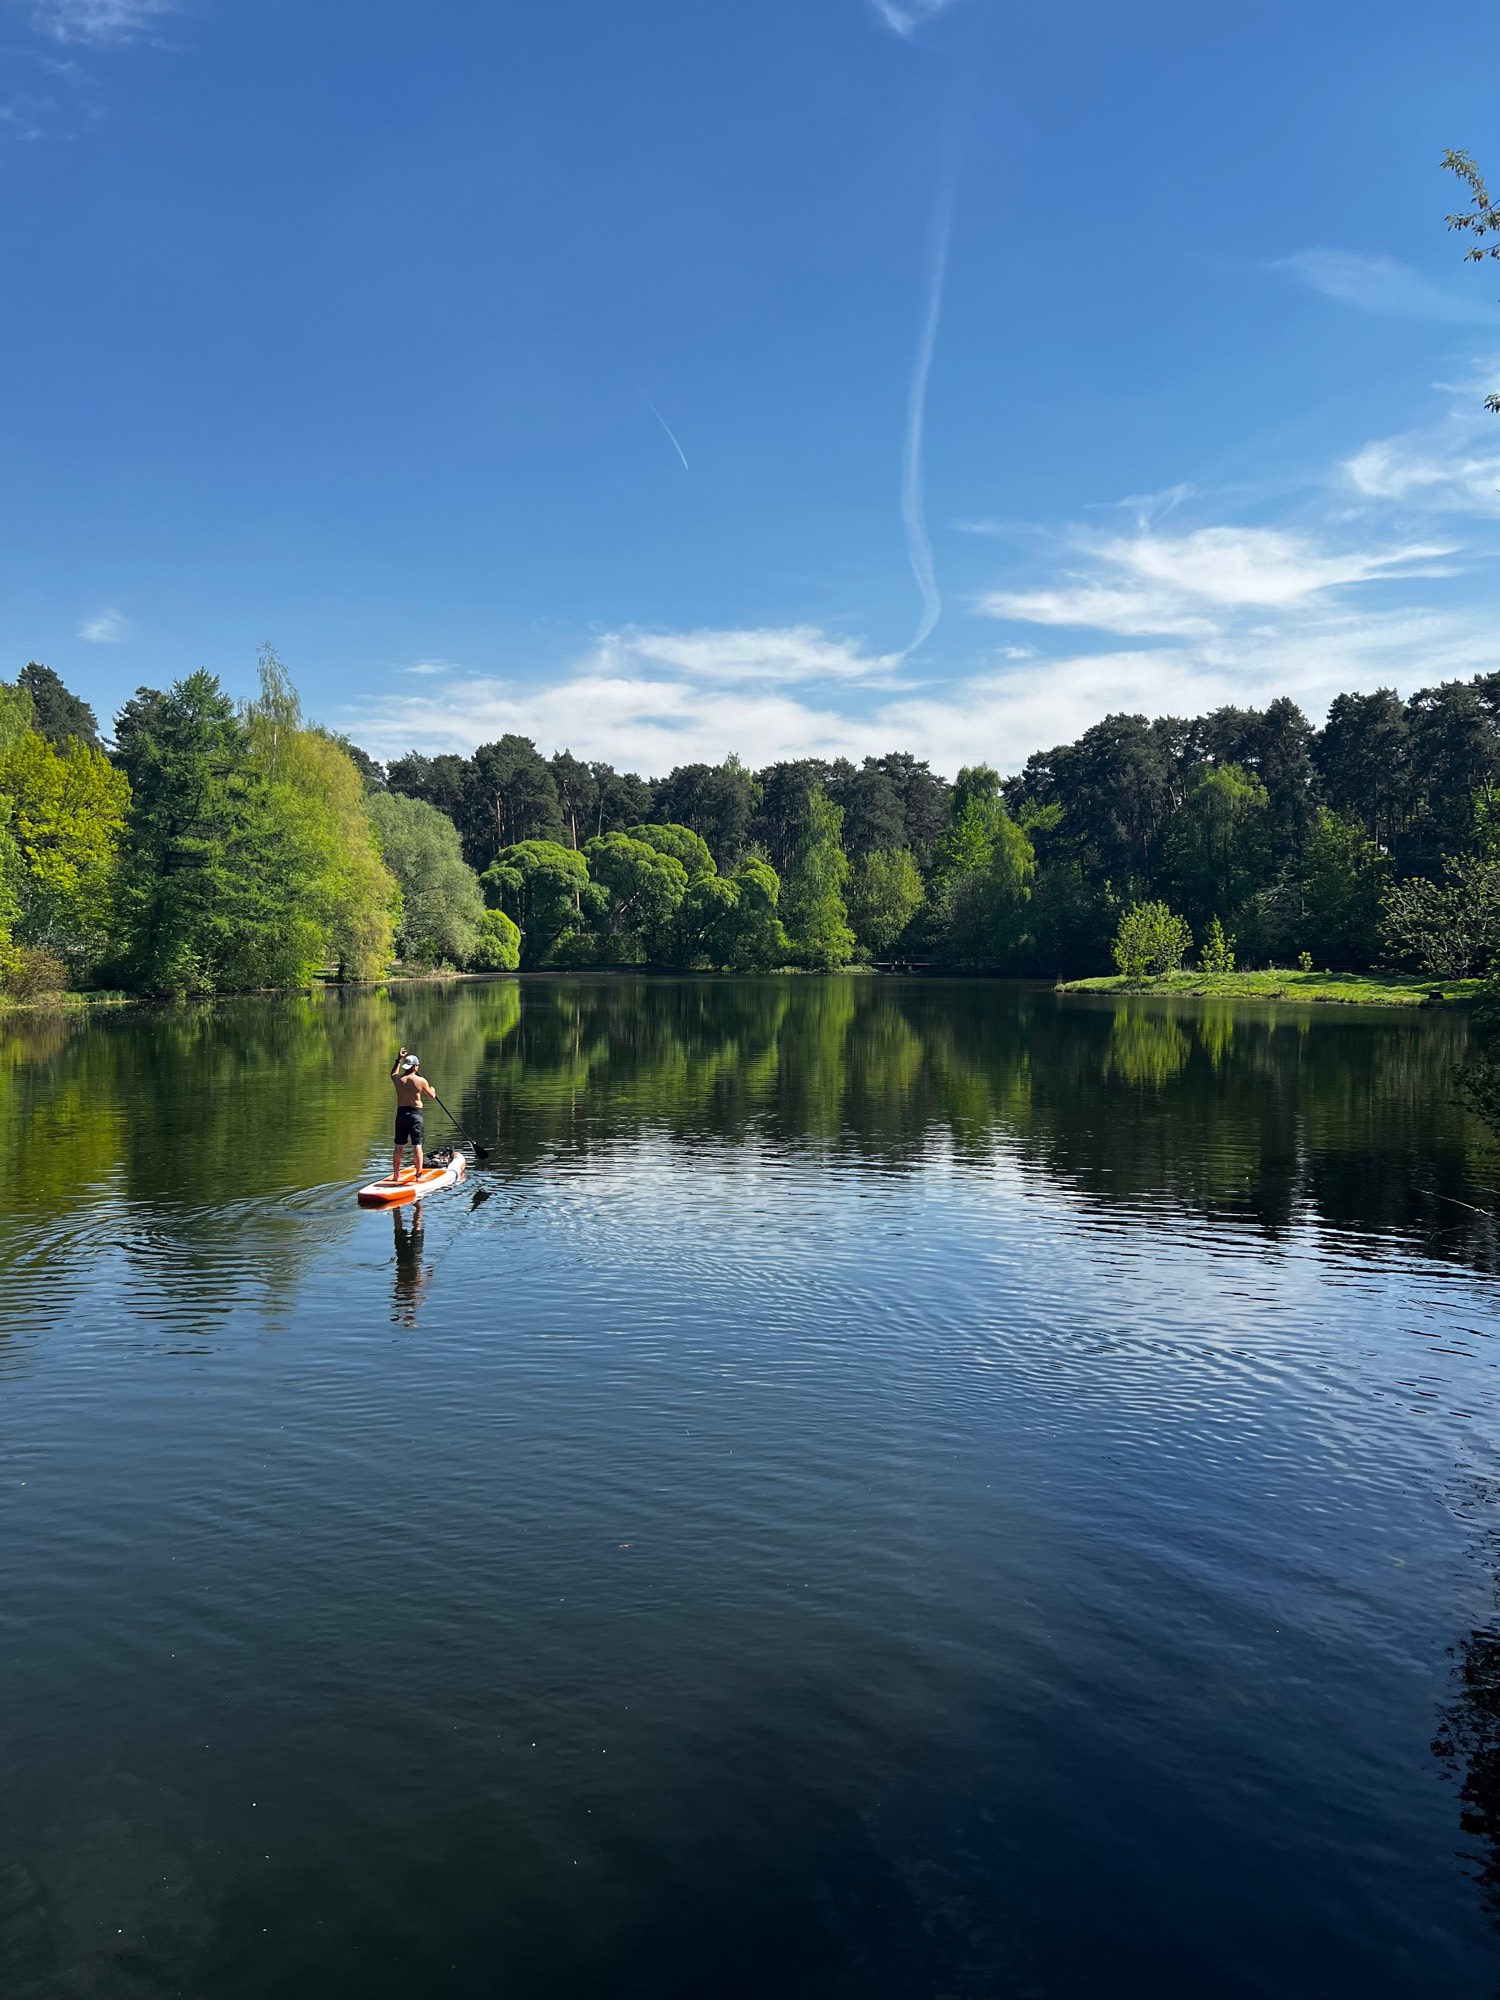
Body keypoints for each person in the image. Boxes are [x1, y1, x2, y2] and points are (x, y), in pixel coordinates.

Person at [390, 1046, 436, 1183]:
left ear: (405, 1066)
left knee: (399, 1145)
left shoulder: (398, 1079)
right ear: (415, 1067)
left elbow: (392, 1074)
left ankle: (396, 1175)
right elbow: (432, 1096)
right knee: (417, 1144)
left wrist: (398, 1059)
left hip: (401, 1114)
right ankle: (419, 1175)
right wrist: (432, 1088)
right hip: (415, 1115)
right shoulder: (421, 1081)